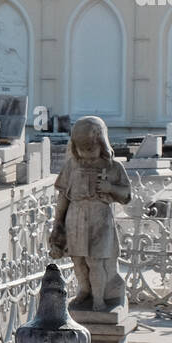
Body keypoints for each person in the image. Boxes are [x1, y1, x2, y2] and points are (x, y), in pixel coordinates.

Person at [49, 116, 131, 314]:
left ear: (102, 144)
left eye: (91, 150)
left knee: (95, 261)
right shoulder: (72, 166)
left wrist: (110, 187)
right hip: (75, 217)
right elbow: (63, 197)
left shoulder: (113, 167)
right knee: (78, 260)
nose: (87, 155)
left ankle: (99, 299)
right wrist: (58, 222)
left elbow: (126, 195)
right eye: (82, 150)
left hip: (99, 218)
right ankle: (84, 291)